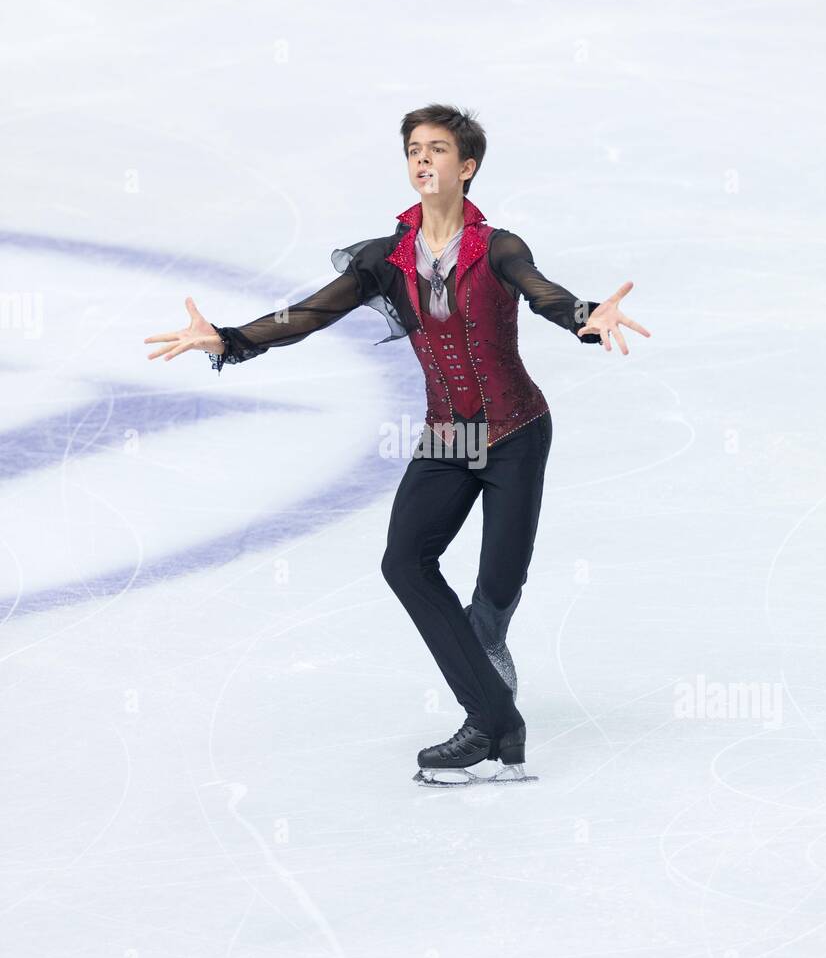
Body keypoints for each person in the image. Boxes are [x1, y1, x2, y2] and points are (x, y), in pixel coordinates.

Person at [144, 103, 651, 786]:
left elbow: (542, 294)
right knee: (405, 562)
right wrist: (232, 340)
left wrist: (588, 317)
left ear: (466, 168)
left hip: (517, 431)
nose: (423, 159)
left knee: (496, 595)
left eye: (438, 149)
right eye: (415, 148)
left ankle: (489, 680)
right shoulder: (386, 259)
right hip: (452, 434)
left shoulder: (497, 247)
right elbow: (310, 313)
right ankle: (494, 721)